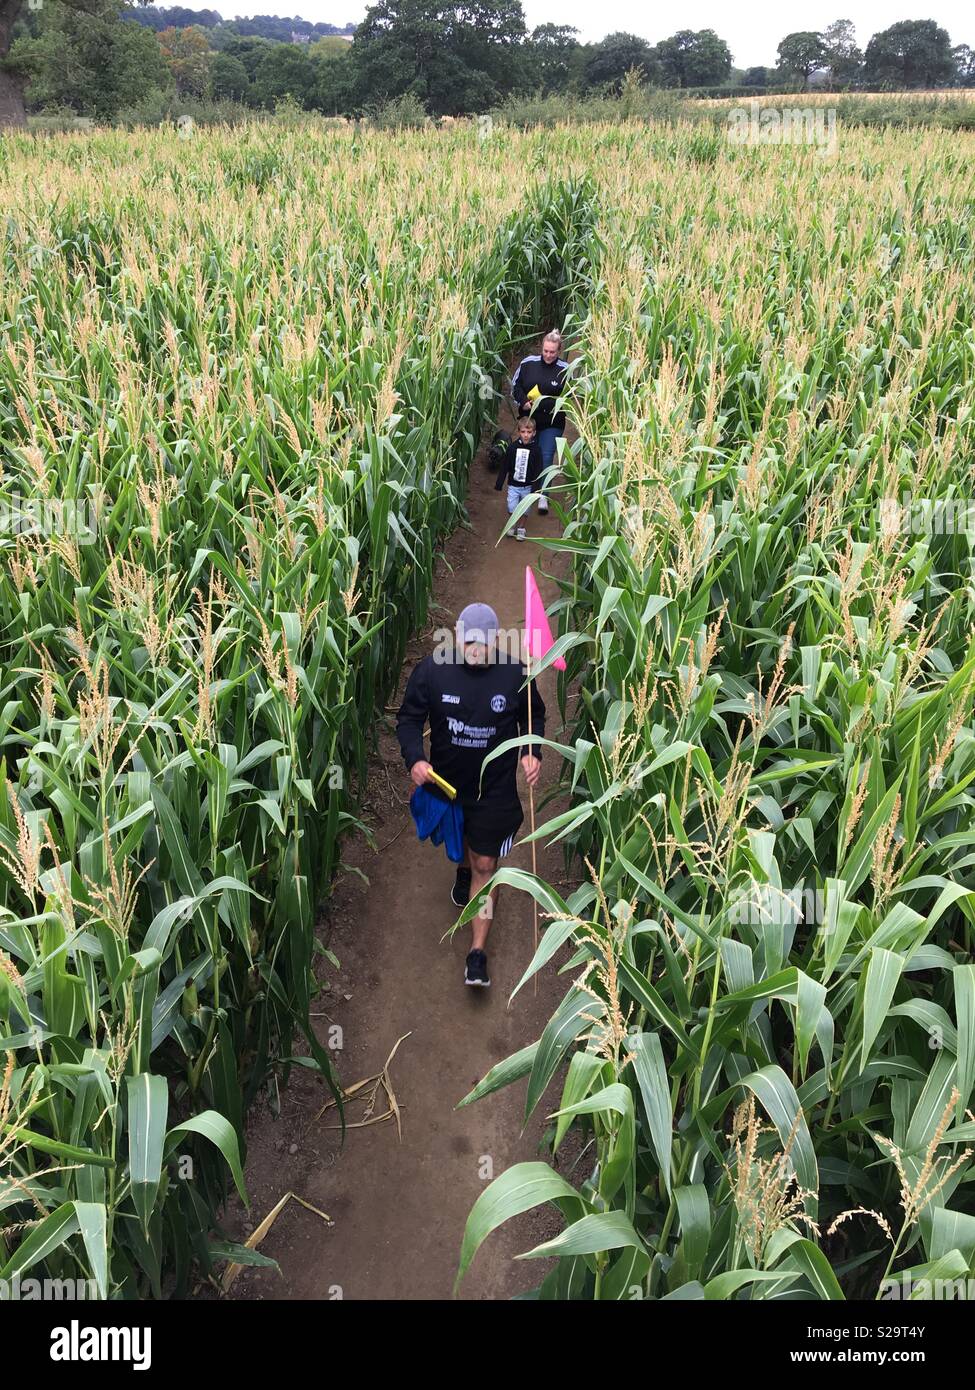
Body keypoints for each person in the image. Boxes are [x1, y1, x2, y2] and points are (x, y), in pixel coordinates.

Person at [395, 602, 545, 988]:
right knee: (464, 848)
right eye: (470, 641)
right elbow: (410, 718)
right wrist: (415, 758)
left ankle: (476, 953)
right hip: (447, 783)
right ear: (459, 637)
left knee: (485, 866)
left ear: (496, 641)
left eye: (485, 643)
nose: (477, 650)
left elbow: (534, 716)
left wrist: (532, 751)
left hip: (493, 789)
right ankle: (462, 870)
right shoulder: (432, 671)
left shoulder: (515, 674)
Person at [510, 329, 568, 515]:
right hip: (529, 420)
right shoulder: (528, 364)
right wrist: (523, 402)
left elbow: (567, 397)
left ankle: (543, 494)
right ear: (541, 348)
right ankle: (523, 490)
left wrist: (544, 402)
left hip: (552, 421)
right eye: (545, 351)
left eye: (552, 352)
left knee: (546, 455)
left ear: (559, 351)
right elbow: (516, 386)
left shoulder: (565, 370)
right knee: (526, 455)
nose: (548, 355)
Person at [494, 415, 544, 541]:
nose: (526, 435)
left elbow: (539, 469)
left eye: (529, 432)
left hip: (527, 486)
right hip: (513, 485)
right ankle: (512, 523)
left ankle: (521, 528)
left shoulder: (536, 450)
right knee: (511, 507)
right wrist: (499, 483)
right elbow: (505, 466)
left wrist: (536, 488)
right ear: (518, 432)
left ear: (534, 433)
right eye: (523, 432)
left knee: (525, 509)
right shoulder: (512, 448)